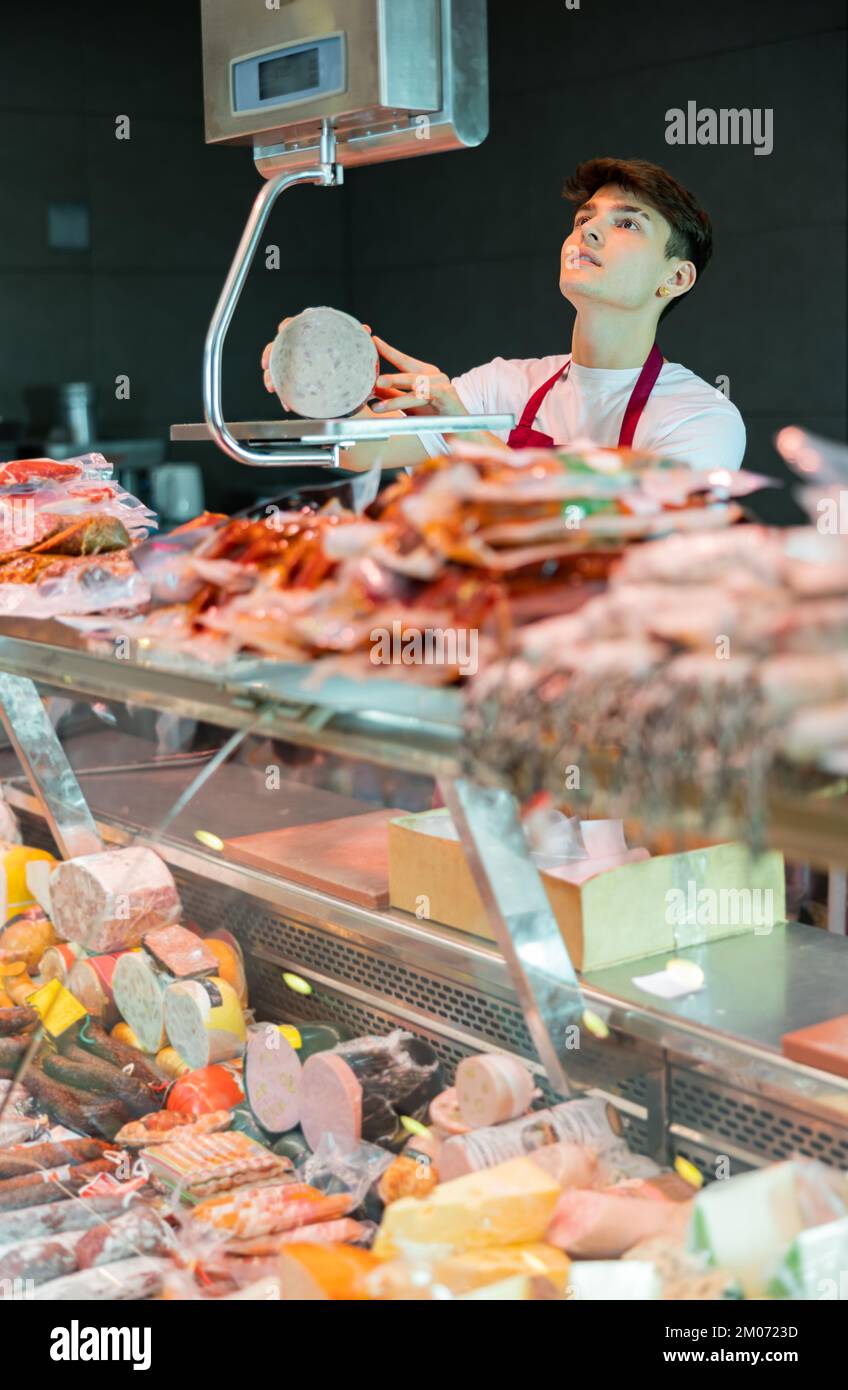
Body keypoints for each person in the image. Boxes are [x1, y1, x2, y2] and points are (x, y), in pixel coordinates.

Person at [262, 157, 745, 471]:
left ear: (676, 278)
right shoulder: (503, 385)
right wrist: (317, 374)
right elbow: (361, 453)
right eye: (584, 219)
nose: (589, 231)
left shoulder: (701, 419)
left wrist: (459, 429)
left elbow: (629, 541)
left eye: (626, 223)